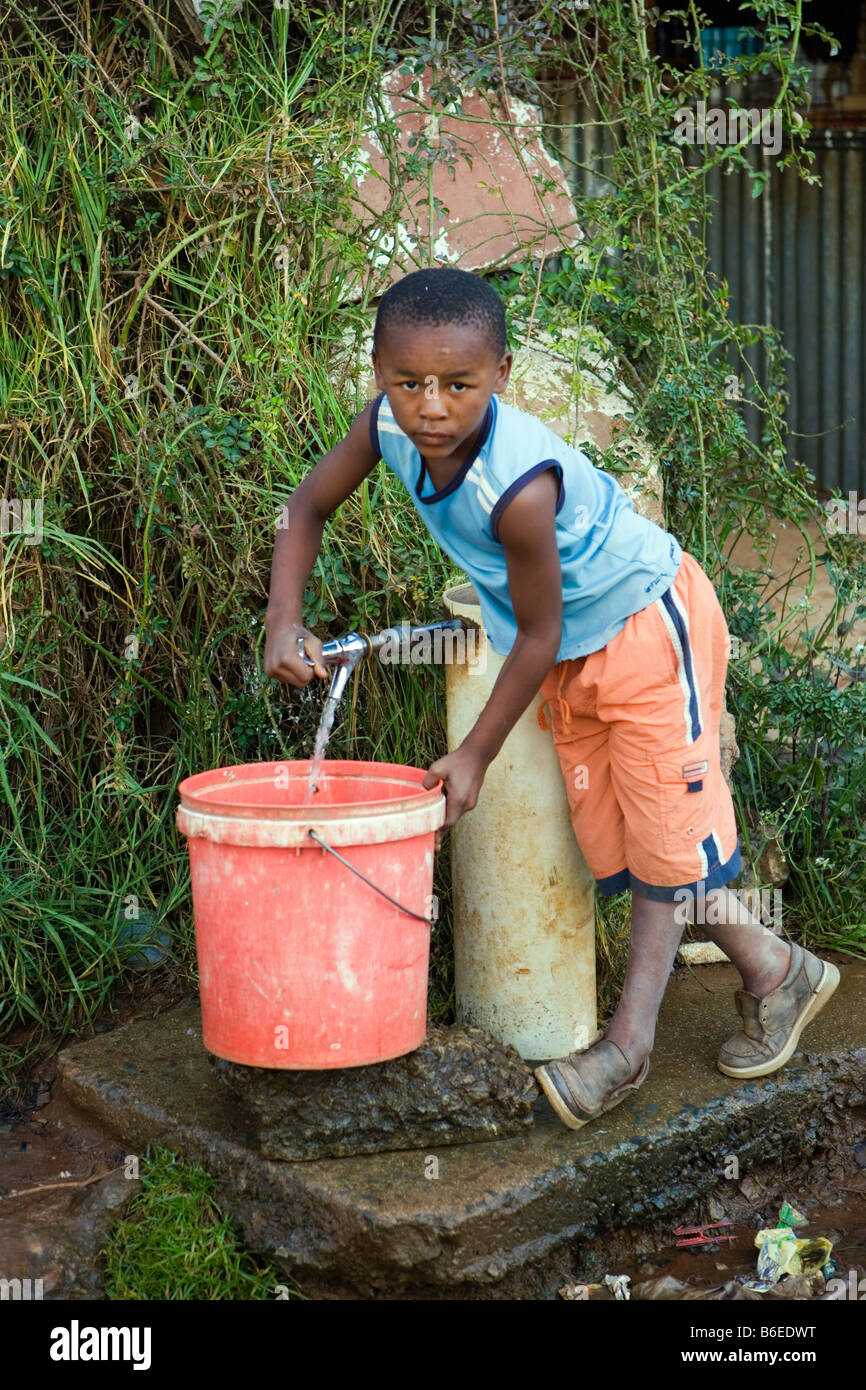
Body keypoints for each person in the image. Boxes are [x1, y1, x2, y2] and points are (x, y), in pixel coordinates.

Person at [264, 266, 839, 1130]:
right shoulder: (385, 429)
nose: (429, 407)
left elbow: (532, 635)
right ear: (377, 374)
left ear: (501, 375)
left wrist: (474, 754)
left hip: (647, 626)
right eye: (406, 382)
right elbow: (305, 506)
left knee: (663, 841)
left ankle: (627, 1049)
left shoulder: (517, 489)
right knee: (625, 835)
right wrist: (284, 619)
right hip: (573, 646)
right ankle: (776, 967)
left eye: (457, 385)